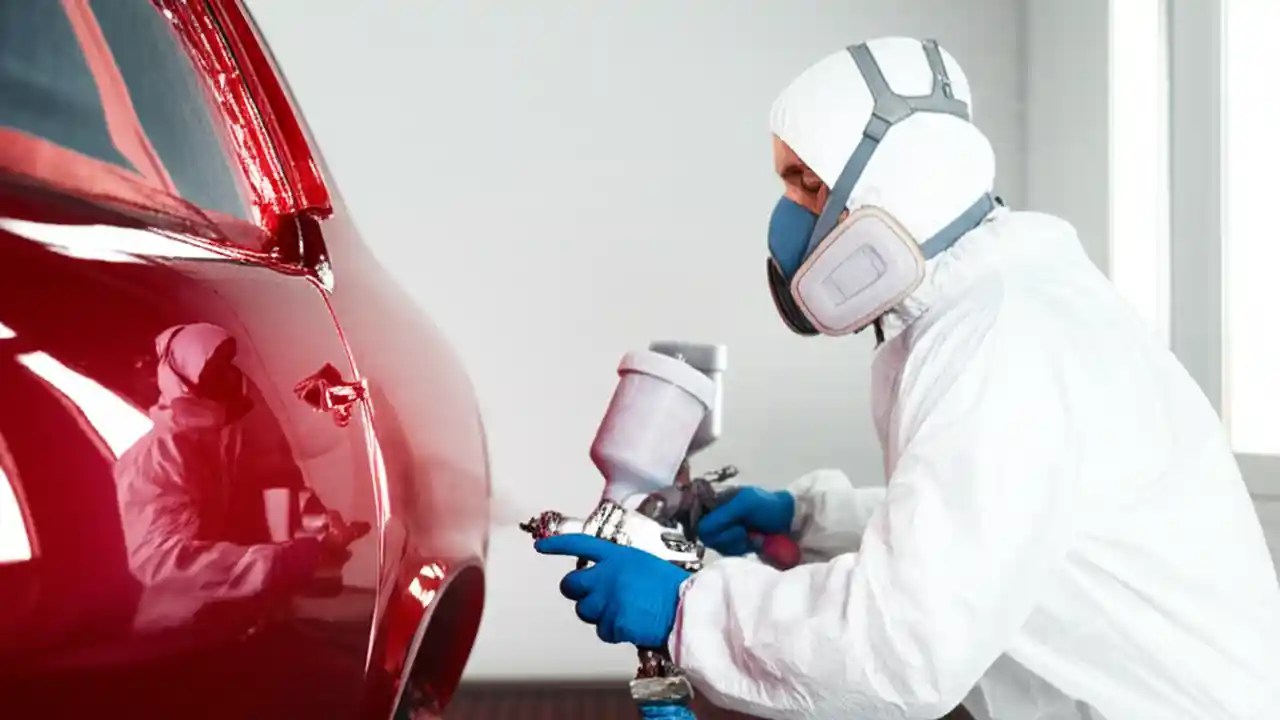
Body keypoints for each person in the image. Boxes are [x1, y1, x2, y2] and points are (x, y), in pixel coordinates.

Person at [536, 36, 1280, 719]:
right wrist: (806, 518)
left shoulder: (1001, 340)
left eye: (806, 184)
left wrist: (685, 607)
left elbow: (902, 647)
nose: (789, 219)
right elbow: (991, 517)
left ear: (896, 183)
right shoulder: (1003, 308)